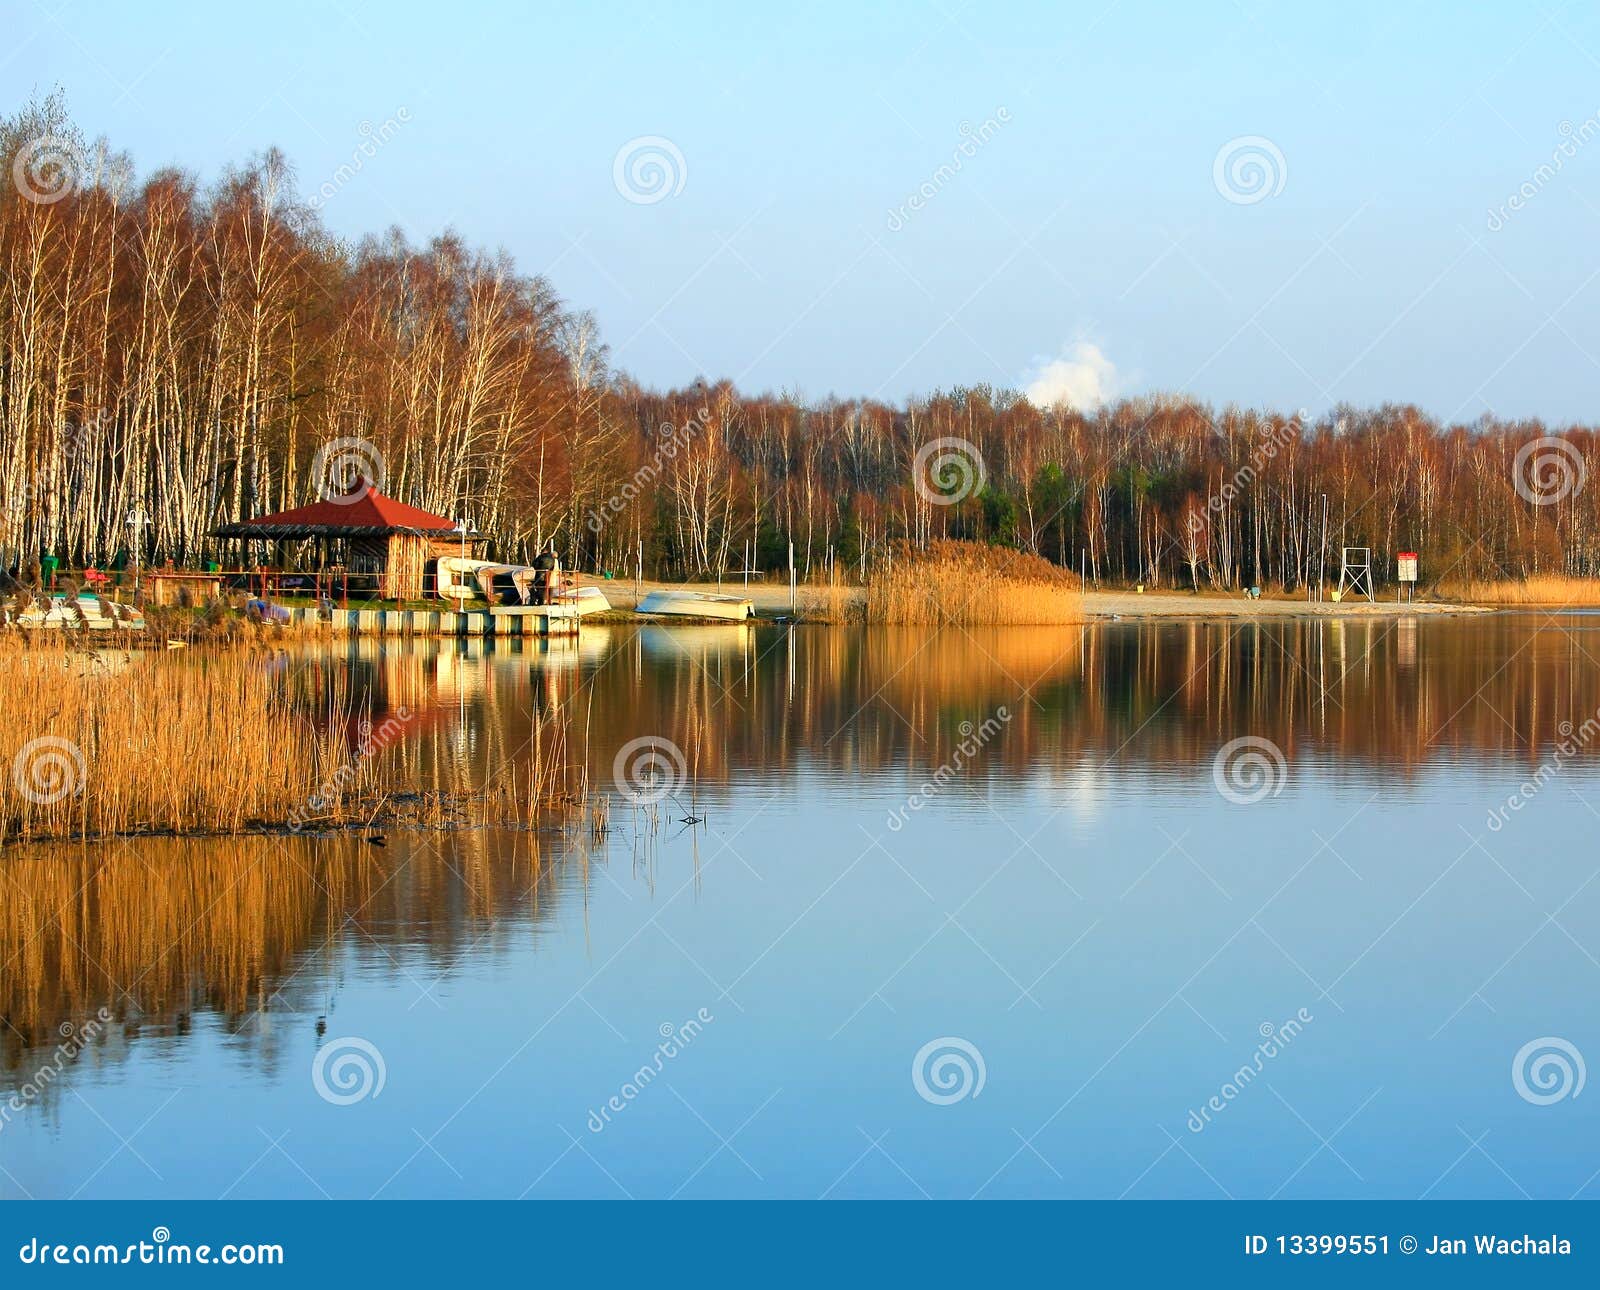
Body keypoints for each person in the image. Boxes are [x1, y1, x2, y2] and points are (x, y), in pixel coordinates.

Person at [532, 541, 558, 605]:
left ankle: (538, 602)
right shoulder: (552, 559)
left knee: (539, 589)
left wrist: (538, 569)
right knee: (544, 590)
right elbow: (553, 568)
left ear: (543, 551)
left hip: (539, 575)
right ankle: (543, 602)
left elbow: (534, 564)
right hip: (548, 576)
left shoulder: (540, 557)